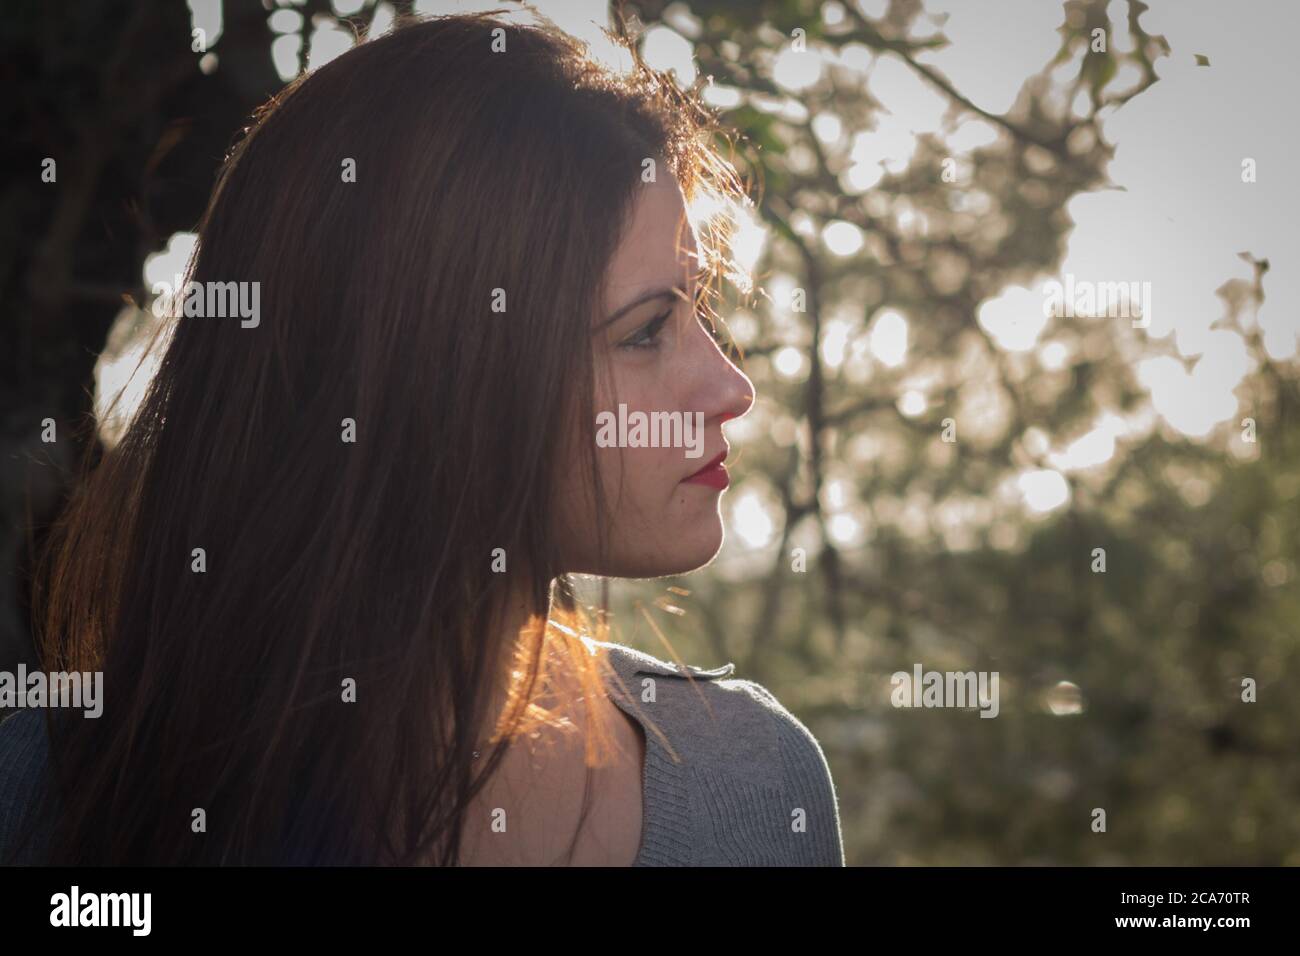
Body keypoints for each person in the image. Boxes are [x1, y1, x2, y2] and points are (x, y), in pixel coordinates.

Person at [0, 8, 843, 866]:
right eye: (643, 331)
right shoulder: (46, 793)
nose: (731, 389)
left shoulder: (754, 788)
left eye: (696, 309)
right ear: (428, 370)